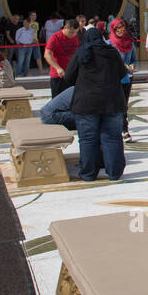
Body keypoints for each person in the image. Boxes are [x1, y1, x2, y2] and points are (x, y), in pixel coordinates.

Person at [63, 28, 128, 182]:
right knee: (112, 137)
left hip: (87, 103)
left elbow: (68, 77)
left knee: (88, 139)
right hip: (111, 102)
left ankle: (88, 173)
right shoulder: (112, 52)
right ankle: (114, 173)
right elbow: (122, 73)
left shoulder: (81, 53)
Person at [109, 18, 136, 142]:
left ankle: (125, 130)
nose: (120, 30)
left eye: (122, 28)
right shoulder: (110, 44)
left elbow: (133, 59)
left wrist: (132, 65)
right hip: (114, 78)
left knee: (124, 105)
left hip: (127, 78)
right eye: (117, 28)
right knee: (115, 104)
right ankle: (116, 129)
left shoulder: (130, 43)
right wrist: (120, 65)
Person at [43, 19, 81, 97]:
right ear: (65, 28)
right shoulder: (55, 37)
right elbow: (47, 54)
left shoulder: (77, 37)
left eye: (75, 32)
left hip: (72, 73)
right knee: (57, 99)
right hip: (58, 74)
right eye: (71, 32)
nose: (73, 35)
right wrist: (58, 68)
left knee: (72, 98)